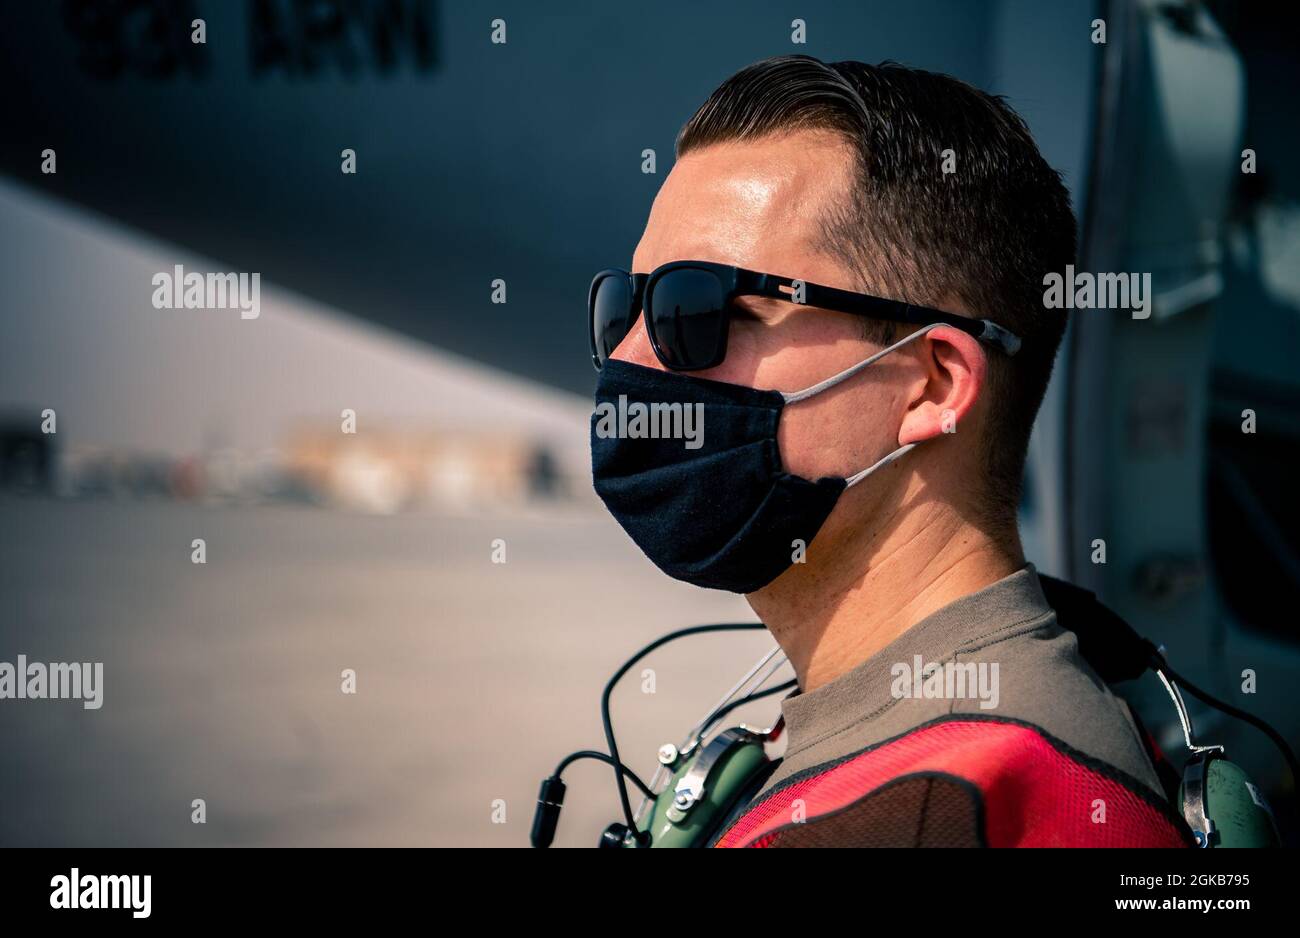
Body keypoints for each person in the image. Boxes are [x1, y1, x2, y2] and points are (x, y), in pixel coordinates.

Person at [586, 55, 1190, 847]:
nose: (629, 359)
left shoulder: (941, 810)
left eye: (695, 308)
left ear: (935, 384)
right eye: (623, 306)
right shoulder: (995, 720)